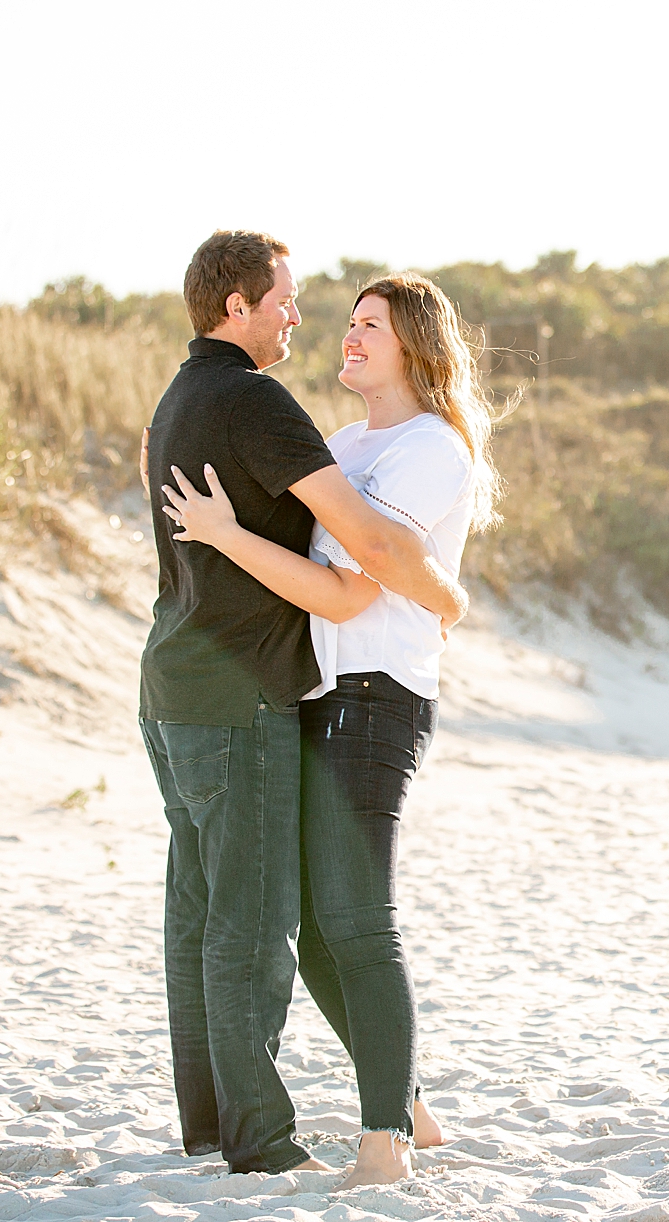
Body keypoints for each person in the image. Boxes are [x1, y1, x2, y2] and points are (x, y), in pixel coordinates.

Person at [161, 271, 501, 1188]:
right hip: (317, 692)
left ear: (416, 346)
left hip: (379, 693)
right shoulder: (344, 442)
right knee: (310, 927)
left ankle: (385, 1139)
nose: (348, 337)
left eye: (369, 326)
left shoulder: (432, 447)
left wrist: (225, 535)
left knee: (358, 918)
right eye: (348, 322)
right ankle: (412, 1100)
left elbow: (362, 580)